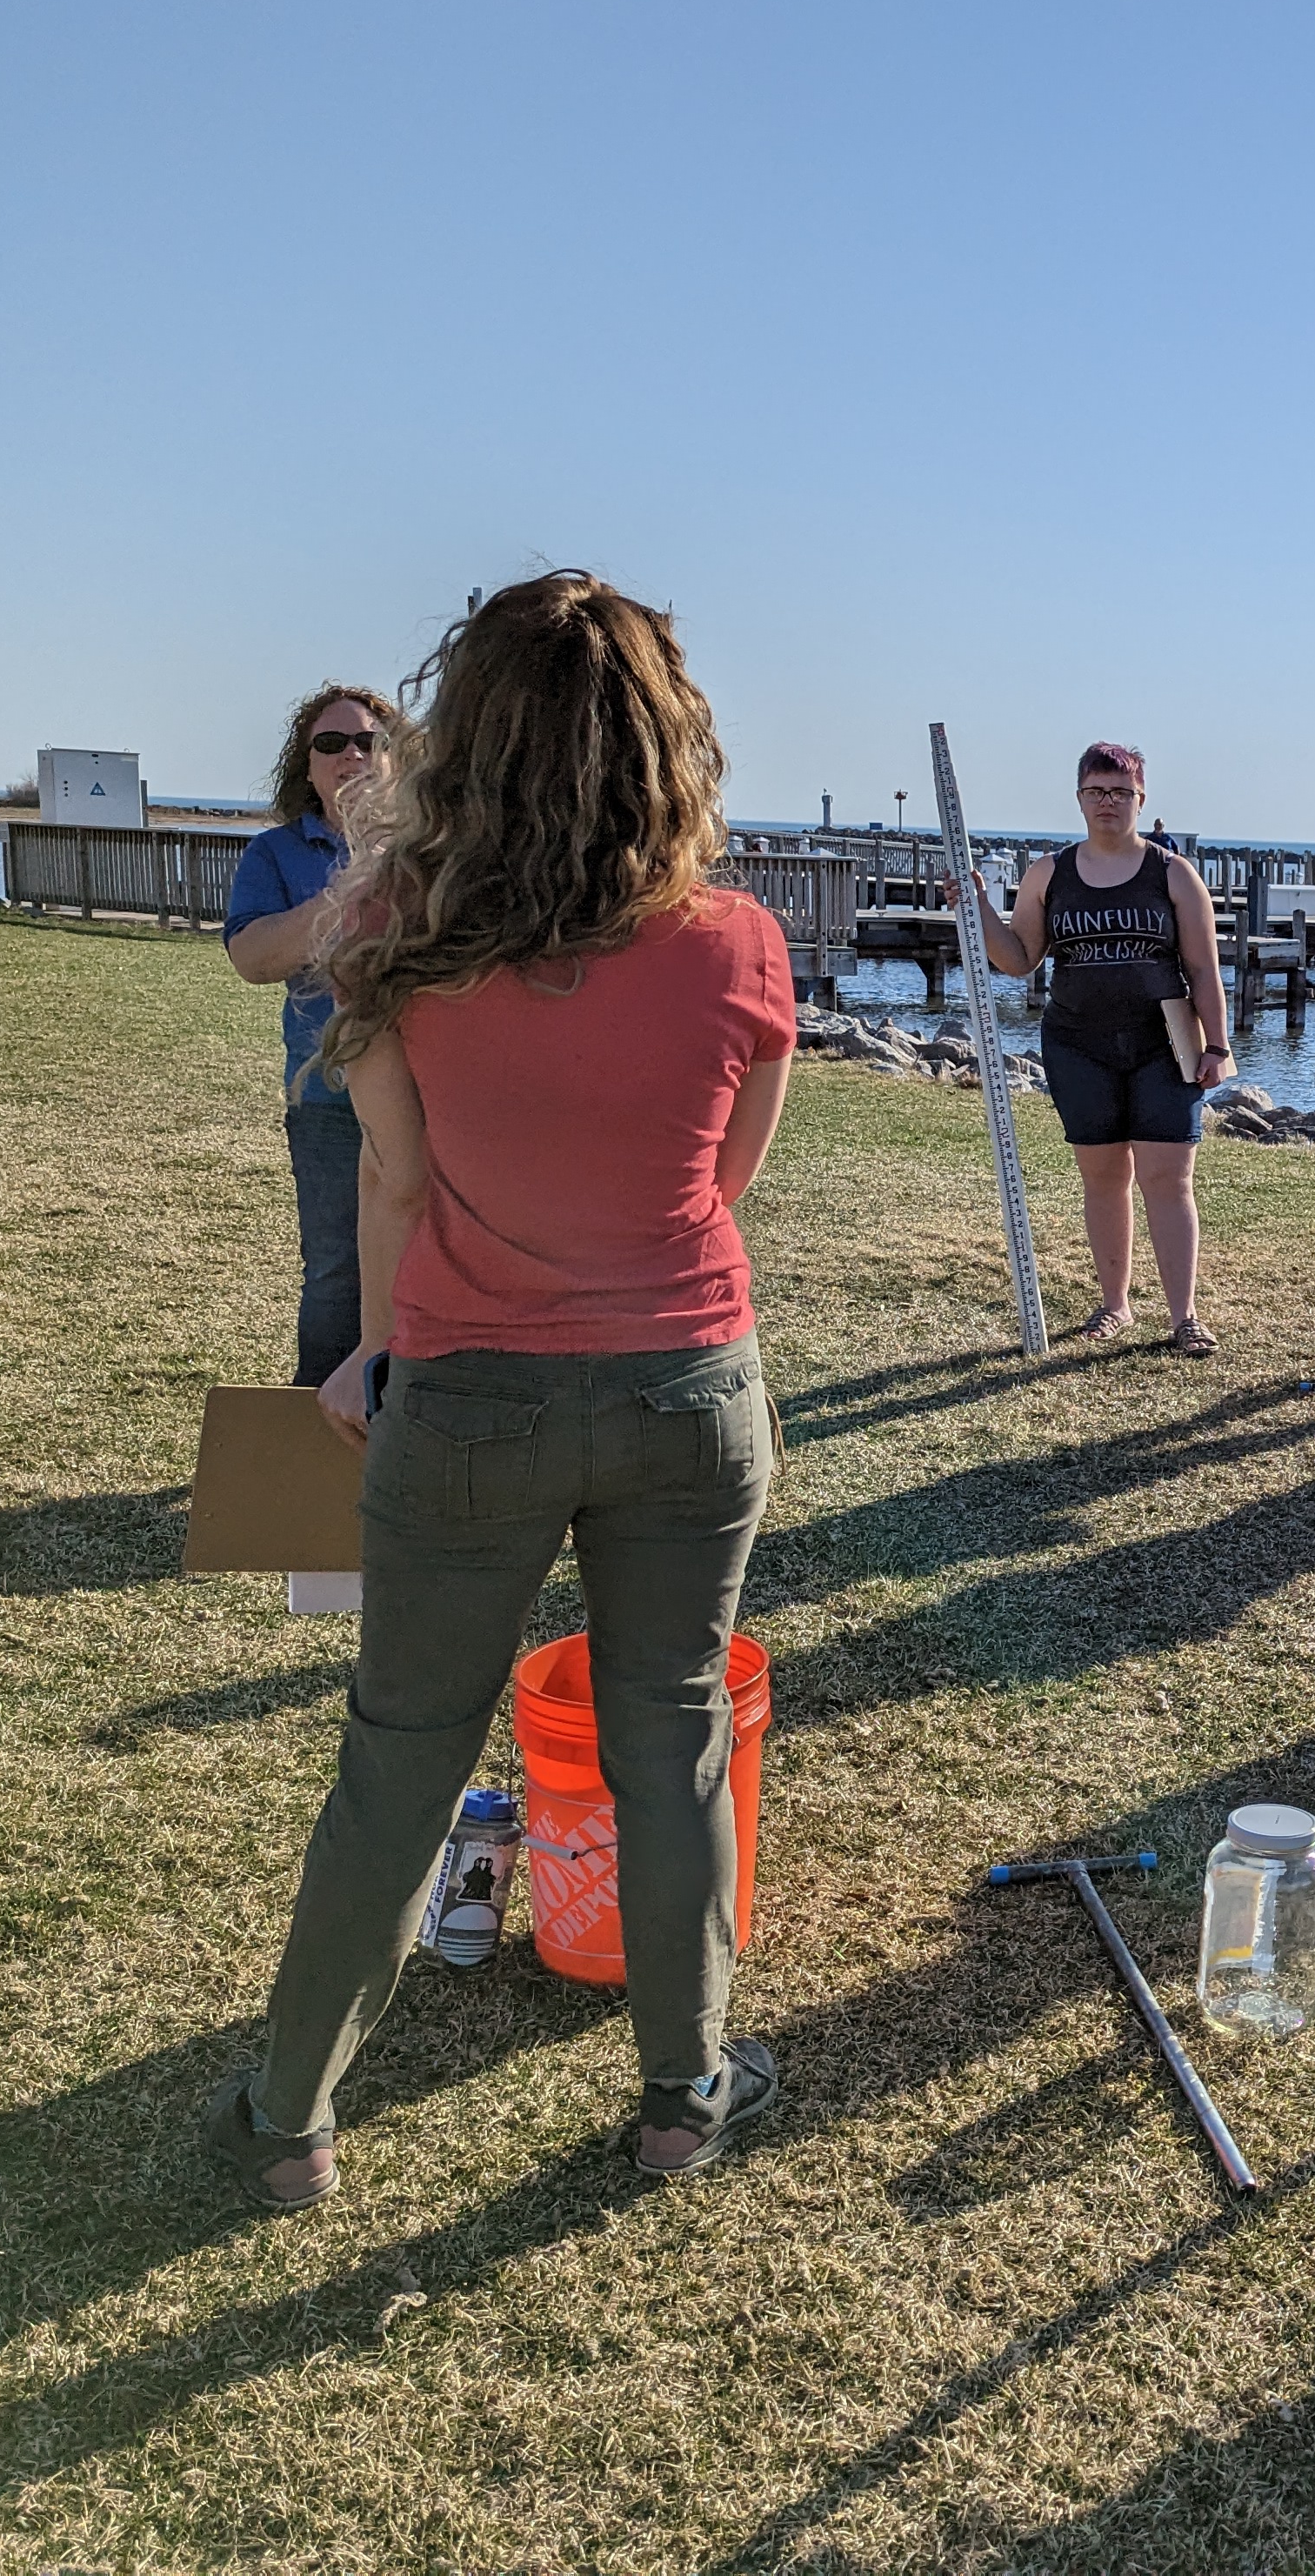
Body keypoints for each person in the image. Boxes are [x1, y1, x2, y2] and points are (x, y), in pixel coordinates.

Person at [202, 573, 795, 2211]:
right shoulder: (742, 943)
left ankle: (289, 2120)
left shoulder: (394, 931)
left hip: (465, 1393)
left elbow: (393, 1183)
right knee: (668, 1729)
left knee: (397, 1751)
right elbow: (723, 1182)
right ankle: (683, 2092)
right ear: (669, 744)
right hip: (686, 1385)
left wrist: (375, 1358)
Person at [972, 744, 1231, 1353]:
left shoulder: (1172, 874)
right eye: (1096, 791)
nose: (1108, 802)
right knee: (1104, 1176)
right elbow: (1018, 958)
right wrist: (978, 908)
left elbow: (1204, 968)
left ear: (1141, 800)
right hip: (1078, 1043)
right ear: (1079, 798)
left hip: (1164, 1044)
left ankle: (1183, 1317)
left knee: (1169, 1178)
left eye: (1120, 792)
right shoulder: (1049, 874)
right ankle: (1115, 1306)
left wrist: (1216, 1045)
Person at [224, 684, 407, 1390]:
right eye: (331, 744)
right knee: (337, 1273)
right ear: (306, 767)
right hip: (329, 1104)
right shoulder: (274, 855)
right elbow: (251, 958)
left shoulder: (437, 849)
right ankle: (317, 1438)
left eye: (369, 741)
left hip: (435, 1096)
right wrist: (349, 898)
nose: (352, 755)